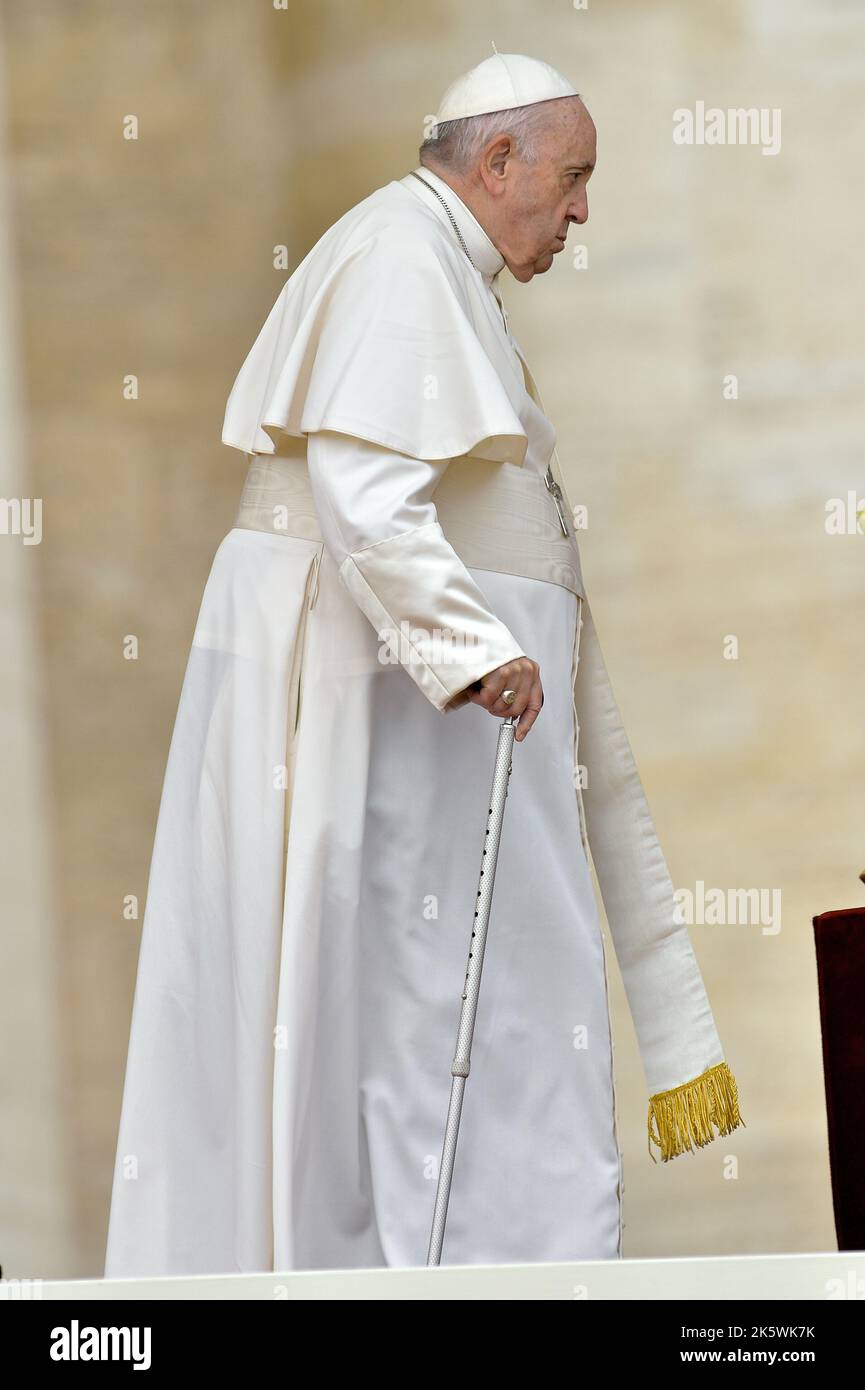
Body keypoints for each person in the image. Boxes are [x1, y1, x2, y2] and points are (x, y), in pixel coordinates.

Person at [104, 51, 743, 1278]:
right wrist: (473, 650)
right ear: (496, 160)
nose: (582, 211)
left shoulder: (432, 263)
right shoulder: (399, 257)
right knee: (413, 1027)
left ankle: (487, 1265)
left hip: (424, 726)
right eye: (572, 178)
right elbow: (365, 498)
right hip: (388, 712)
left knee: (458, 1020)